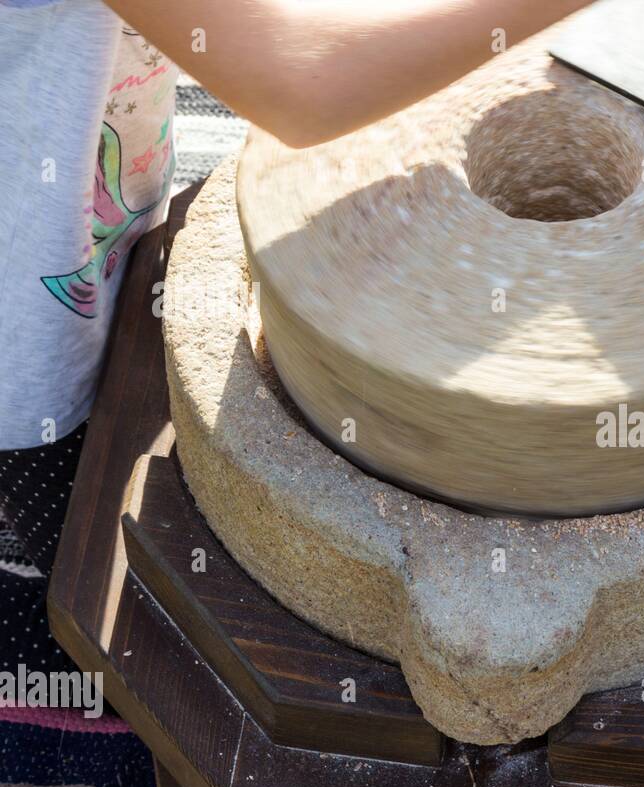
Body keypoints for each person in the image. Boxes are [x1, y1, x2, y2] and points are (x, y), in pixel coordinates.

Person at [0, 0, 591, 673]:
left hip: (91, 198)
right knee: (91, 558)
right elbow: (302, 81)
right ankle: (82, 659)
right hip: (25, 322)